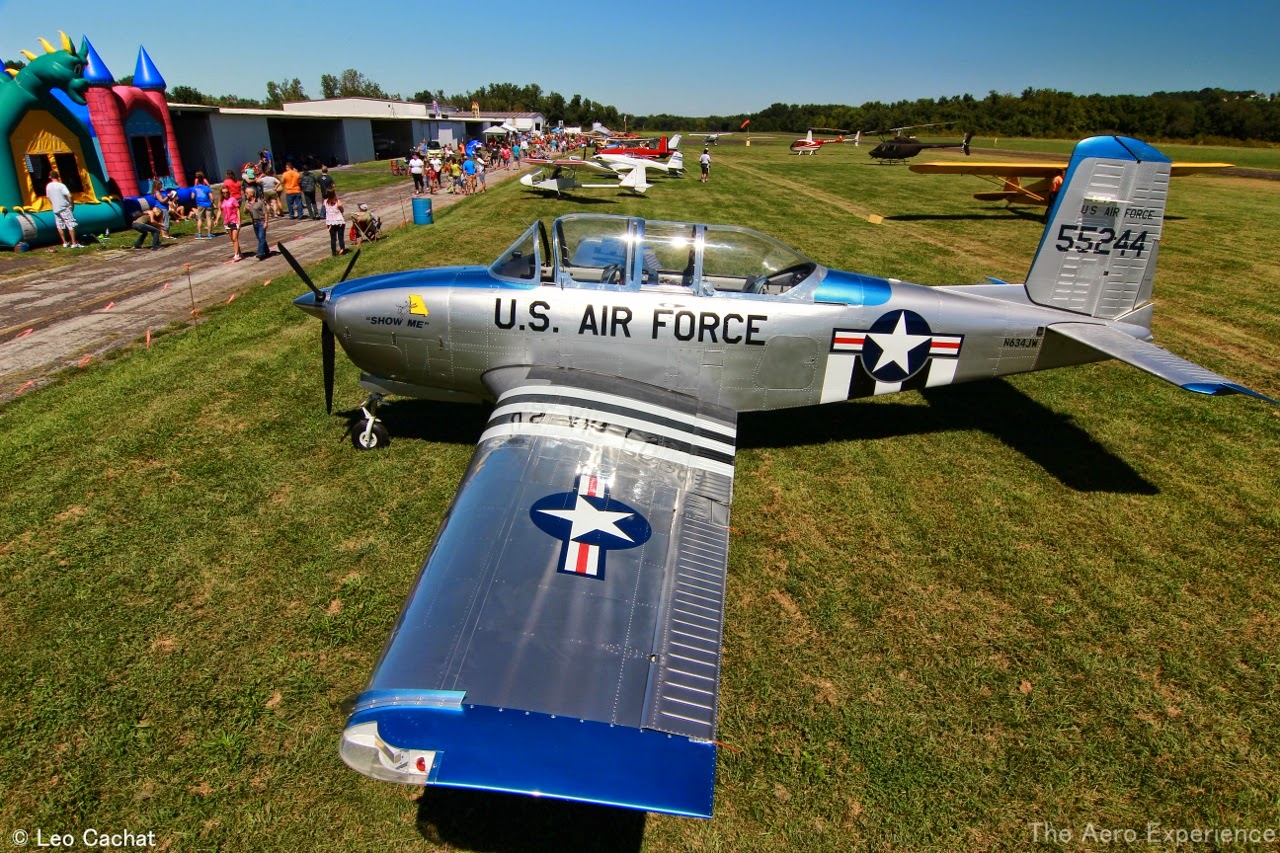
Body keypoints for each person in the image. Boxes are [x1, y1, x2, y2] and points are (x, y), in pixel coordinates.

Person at [45, 170, 82, 248]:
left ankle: (64, 242)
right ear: (58, 176)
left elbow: (48, 197)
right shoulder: (61, 186)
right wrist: (71, 204)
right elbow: (70, 195)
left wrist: (53, 204)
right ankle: (74, 243)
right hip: (64, 208)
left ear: (50, 177)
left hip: (56, 208)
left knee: (59, 225)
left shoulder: (48, 186)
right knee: (70, 225)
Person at [244, 186, 269, 260]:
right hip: (254, 222)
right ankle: (266, 251)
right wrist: (246, 209)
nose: (245, 194)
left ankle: (260, 253)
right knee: (260, 238)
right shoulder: (247, 202)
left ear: (252, 194)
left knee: (261, 237)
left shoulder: (259, 202)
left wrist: (266, 222)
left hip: (261, 221)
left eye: (247, 193)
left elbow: (266, 213)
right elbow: (245, 212)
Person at [220, 187, 243, 261]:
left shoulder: (232, 199)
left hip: (234, 220)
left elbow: (237, 210)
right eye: (223, 193)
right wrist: (217, 219)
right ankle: (239, 253)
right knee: (232, 239)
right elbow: (220, 210)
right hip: (227, 222)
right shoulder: (222, 201)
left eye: (226, 192)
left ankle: (236, 255)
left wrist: (239, 220)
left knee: (234, 238)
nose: (225, 194)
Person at [191, 172, 215, 238]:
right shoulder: (207, 188)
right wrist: (212, 203)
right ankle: (209, 234)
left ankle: (199, 234)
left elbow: (192, 197)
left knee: (200, 219)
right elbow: (212, 198)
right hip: (208, 204)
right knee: (209, 218)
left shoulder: (194, 188)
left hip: (200, 205)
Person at [322, 189, 346, 256]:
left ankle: (334, 252)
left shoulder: (325, 201)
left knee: (333, 238)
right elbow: (342, 210)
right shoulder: (337, 201)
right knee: (340, 237)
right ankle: (342, 250)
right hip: (339, 221)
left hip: (330, 222)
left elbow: (325, 207)